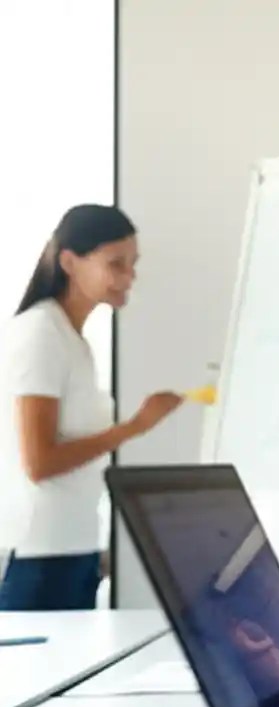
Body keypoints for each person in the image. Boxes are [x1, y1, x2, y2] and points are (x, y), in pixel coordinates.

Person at [0, 205, 185, 611]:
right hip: (40, 556)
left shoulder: (73, 340)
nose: (129, 276)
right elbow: (40, 461)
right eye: (115, 263)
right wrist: (135, 426)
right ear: (69, 261)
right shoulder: (40, 334)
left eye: (132, 264)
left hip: (72, 550)